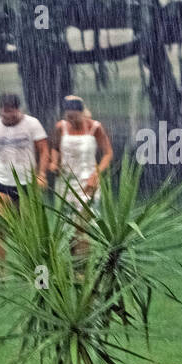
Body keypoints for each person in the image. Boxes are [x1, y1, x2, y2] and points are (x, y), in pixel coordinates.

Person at [0, 93, 49, 268]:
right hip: (2, 183)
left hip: (27, 183)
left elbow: (43, 150)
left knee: (31, 230)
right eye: (5, 114)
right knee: (0, 229)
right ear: (0, 110)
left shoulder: (32, 124)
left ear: (18, 110)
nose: (8, 118)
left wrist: (42, 174)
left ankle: (34, 270)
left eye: (12, 114)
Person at [49, 95, 114, 253]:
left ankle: (84, 267)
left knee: (82, 225)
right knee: (69, 228)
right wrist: (53, 162)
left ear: (81, 113)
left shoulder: (95, 127)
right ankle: (78, 268)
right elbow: (55, 148)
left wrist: (96, 175)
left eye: (73, 116)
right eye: (67, 116)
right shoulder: (61, 127)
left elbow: (108, 153)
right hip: (65, 184)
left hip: (88, 183)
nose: (70, 120)